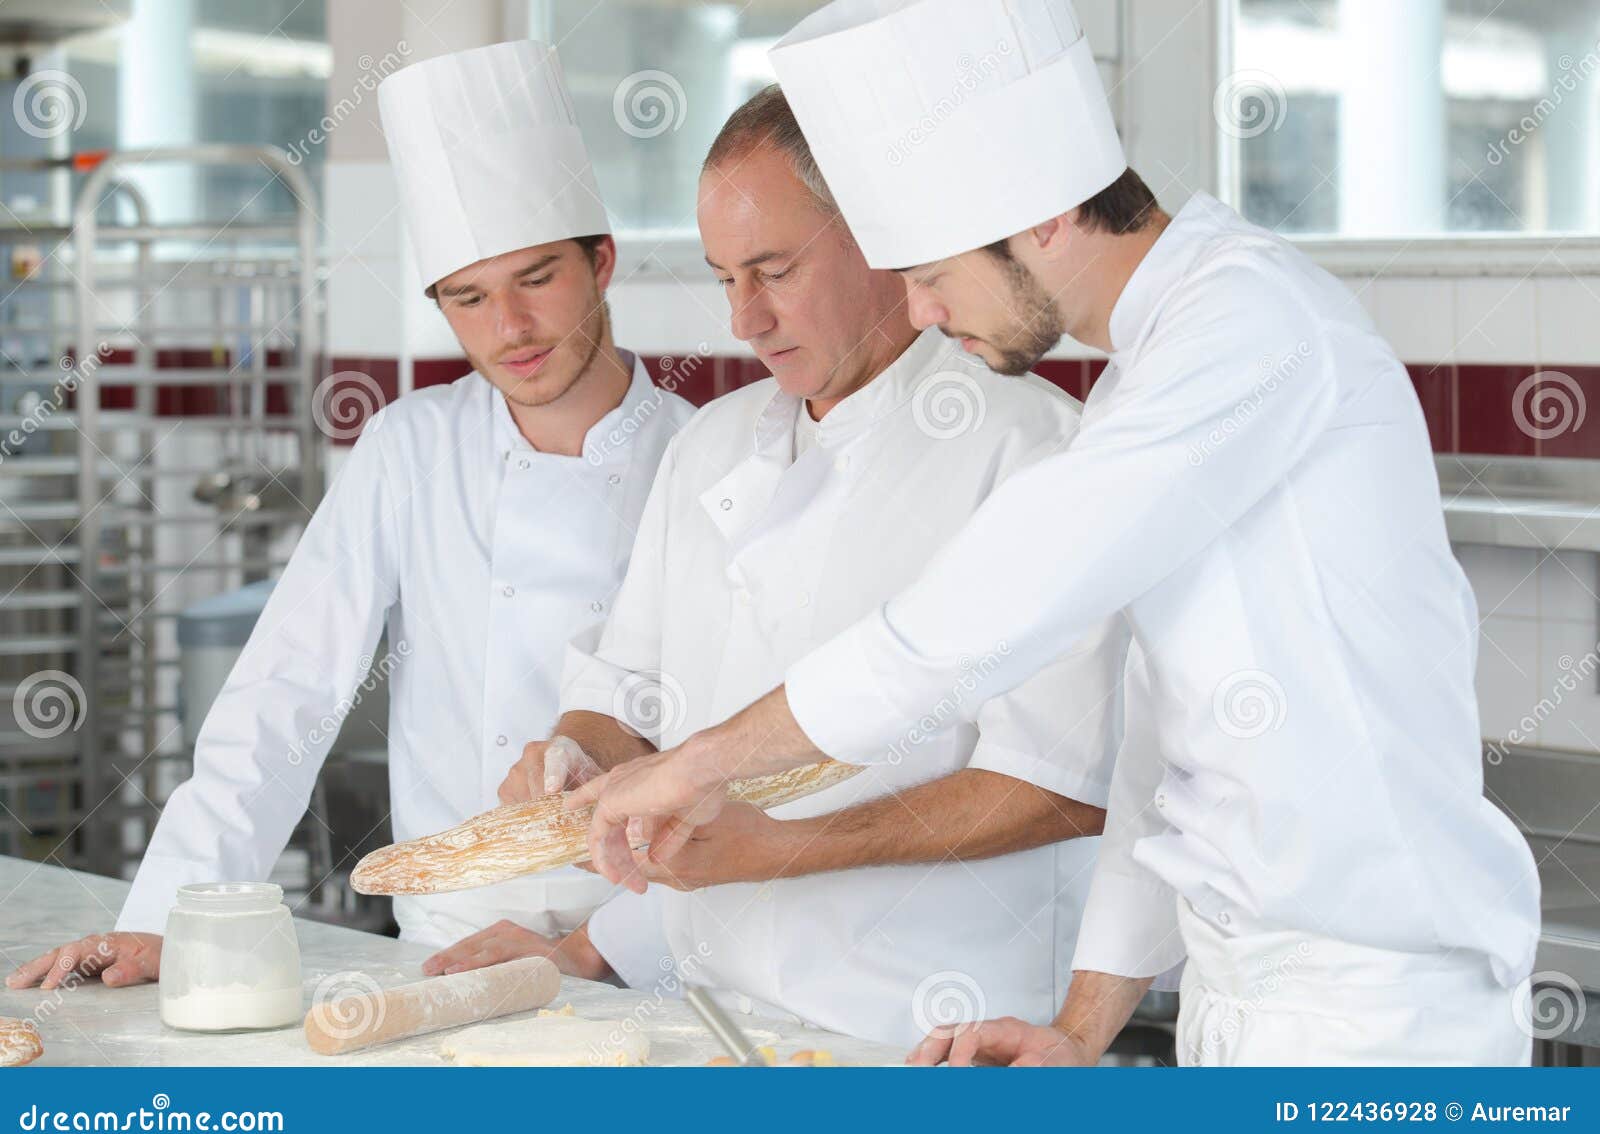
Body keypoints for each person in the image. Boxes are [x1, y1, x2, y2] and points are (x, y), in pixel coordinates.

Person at [569, 0, 1541, 1066]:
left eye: (932, 274)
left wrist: (698, 761)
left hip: (1378, 1016)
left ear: (1037, 216)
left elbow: (975, 613)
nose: (926, 313)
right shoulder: (1150, 371)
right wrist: (1080, 1028)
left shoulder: (1253, 326)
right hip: (1248, 996)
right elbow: (1169, 762)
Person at [424, 86, 1135, 1049]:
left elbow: (1055, 784)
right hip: (698, 1012)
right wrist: (580, 754)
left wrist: (777, 850)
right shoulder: (713, 448)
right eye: (724, 278)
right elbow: (630, 692)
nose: (746, 318)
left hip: (923, 1029)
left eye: (774, 269)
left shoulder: (1034, 450)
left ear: (877, 237)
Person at [6, 40, 693, 992]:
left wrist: (608, 947)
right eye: (468, 297)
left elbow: (753, 751)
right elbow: (285, 688)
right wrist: (176, 921)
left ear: (602, 261)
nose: (511, 329)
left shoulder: (707, 458)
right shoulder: (410, 447)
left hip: (652, 944)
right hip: (446, 943)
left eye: (537, 278)